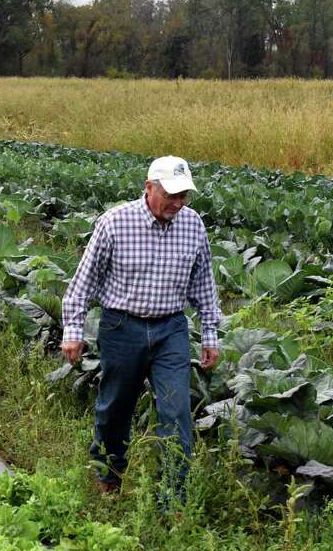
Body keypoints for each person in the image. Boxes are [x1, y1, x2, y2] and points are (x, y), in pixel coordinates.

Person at [60, 156, 222, 497]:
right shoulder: (115, 223)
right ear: (149, 188)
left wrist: (210, 334)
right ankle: (110, 474)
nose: (178, 204)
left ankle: (173, 496)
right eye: (171, 195)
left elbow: (204, 284)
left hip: (171, 330)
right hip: (122, 327)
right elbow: (83, 283)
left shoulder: (193, 225)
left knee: (177, 411)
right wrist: (73, 331)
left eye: (184, 196)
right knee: (115, 407)